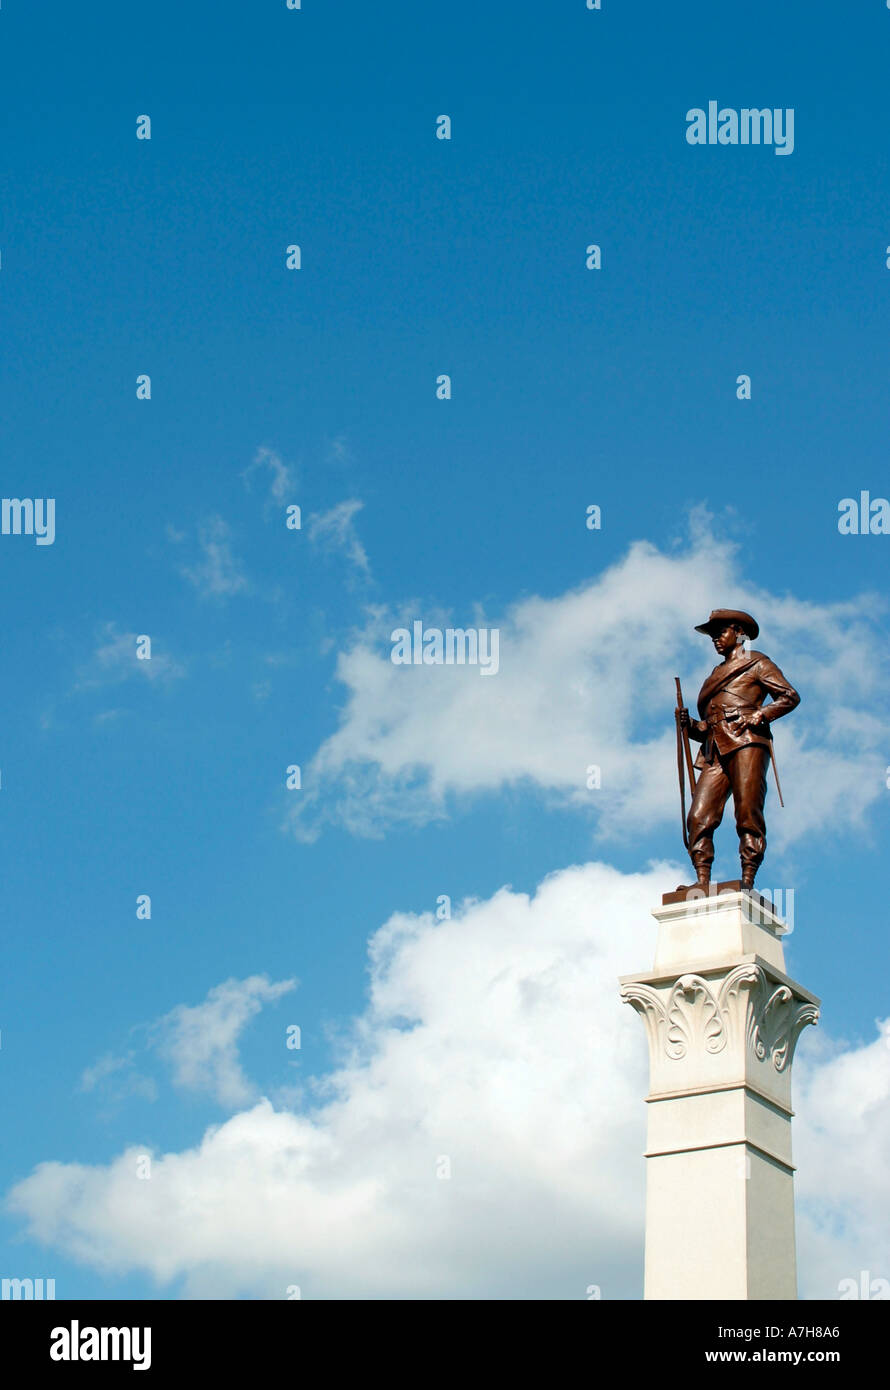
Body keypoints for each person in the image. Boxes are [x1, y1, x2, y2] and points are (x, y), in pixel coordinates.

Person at [676, 609, 799, 889]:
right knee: (698, 816)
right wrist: (691, 725)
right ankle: (702, 881)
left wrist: (761, 715)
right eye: (713, 636)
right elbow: (708, 726)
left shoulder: (757, 663)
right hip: (714, 749)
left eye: (720, 633)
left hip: (746, 742)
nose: (716, 640)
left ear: (738, 632)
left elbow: (790, 696)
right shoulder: (715, 674)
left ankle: (747, 879)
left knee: (747, 813)